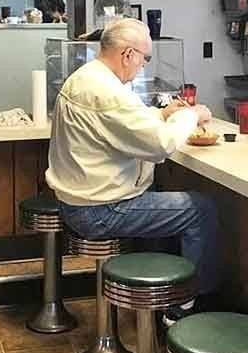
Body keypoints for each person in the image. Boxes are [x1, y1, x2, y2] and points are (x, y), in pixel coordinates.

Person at [46, 17, 219, 324]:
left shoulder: (86, 77)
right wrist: (192, 114)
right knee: (200, 209)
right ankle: (188, 307)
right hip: (99, 211)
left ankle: (162, 294)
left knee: (160, 196)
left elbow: (124, 122)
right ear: (128, 54)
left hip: (77, 201)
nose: (143, 66)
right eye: (144, 58)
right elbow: (161, 144)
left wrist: (162, 113)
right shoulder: (107, 92)